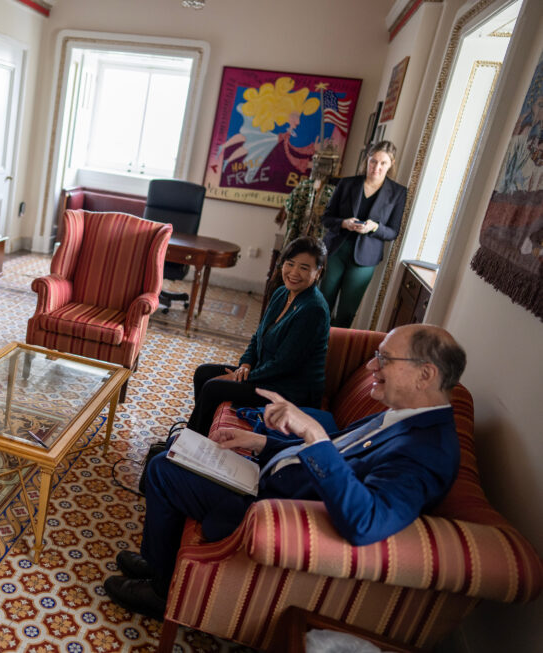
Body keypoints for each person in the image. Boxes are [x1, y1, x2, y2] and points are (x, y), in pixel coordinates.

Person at [104, 324, 466, 620]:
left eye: (383, 358)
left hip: (272, 509)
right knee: (176, 450)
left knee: (163, 470)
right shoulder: (402, 416)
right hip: (268, 477)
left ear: (425, 375)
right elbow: (337, 452)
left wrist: (314, 433)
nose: (372, 367)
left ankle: (161, 591)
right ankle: (156, 561)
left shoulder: (427, 452)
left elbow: (365, 522)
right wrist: (260, 443)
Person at [186, 236, 330, 435]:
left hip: (288, 390)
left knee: (213, 387)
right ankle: (198, 435)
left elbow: (285, 364)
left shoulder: (313, 309)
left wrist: (244, 378)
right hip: (268, 375)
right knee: (203, 373)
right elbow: (258, 336)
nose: (294, 273)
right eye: (290, 264)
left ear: (318, 272)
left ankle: (192, 443)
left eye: (304, 268)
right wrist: (245, 365)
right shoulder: (282, 293)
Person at [319, 141, 408, 328]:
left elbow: (393, 231)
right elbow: (326, 218)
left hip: (366, 259)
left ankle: (333, 350)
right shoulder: (346, 183)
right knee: (322, 304)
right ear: (367, 160)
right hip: (336, 251)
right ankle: (310, 347)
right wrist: (343, 223)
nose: (377, 167)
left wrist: (374, 227)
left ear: (391, 164)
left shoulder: (398, 193)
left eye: (383, 163)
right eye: (373, 161)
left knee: (347, 311)